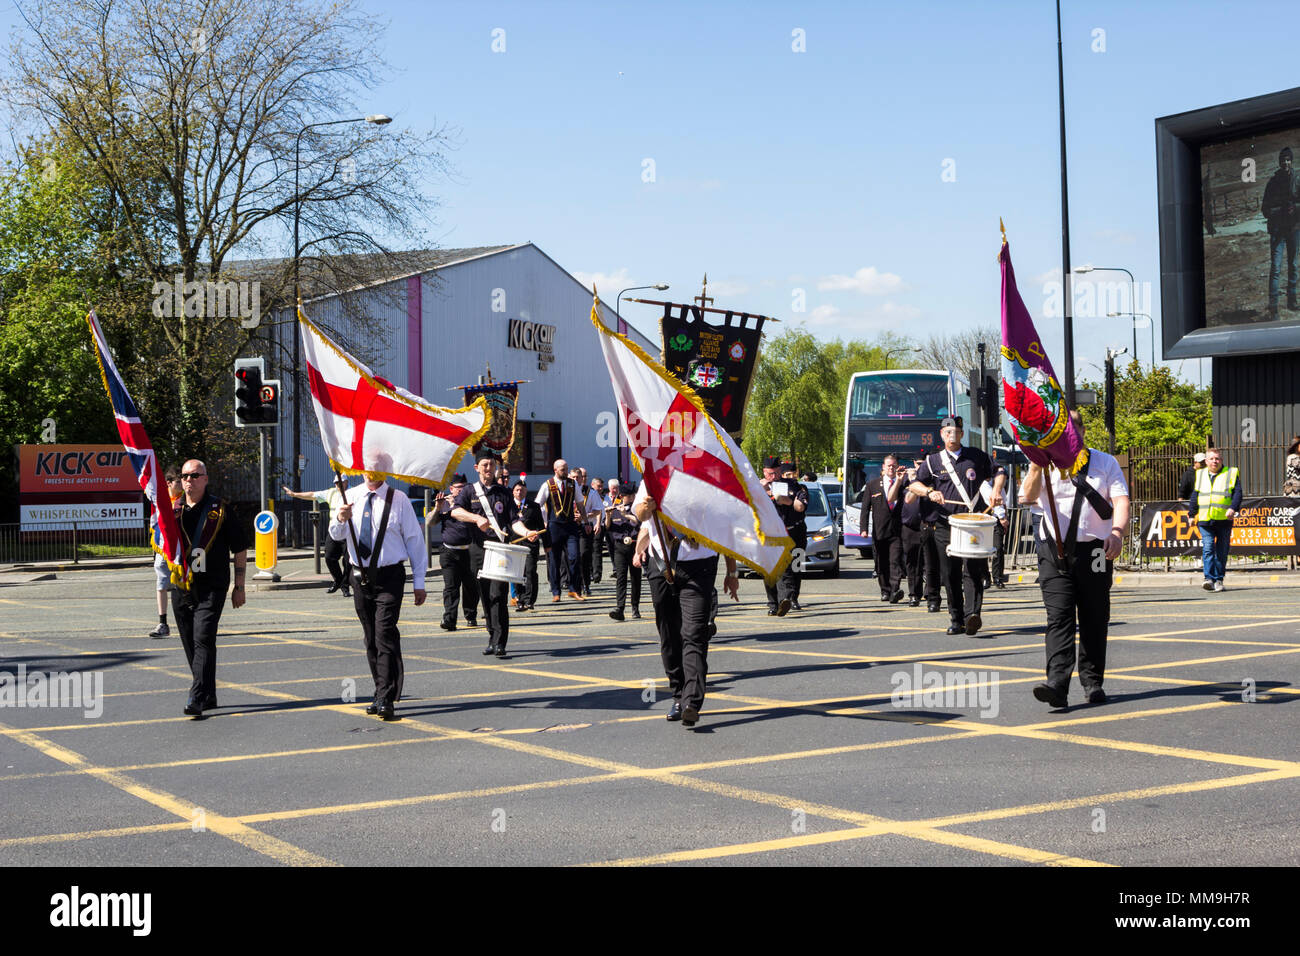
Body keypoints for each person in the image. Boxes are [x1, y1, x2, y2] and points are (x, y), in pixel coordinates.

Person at [1019, 412, 1130, 708]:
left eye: (1072, 426)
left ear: (1080, 430)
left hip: (1095, 550)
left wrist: (1117, 533)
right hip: (1054, 551)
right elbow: (1026, 498)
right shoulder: (1044, 465)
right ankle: (1057, 684)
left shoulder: (1105, 462)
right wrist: (1034, 467)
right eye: (1060, 427)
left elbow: (1121, 500)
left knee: (1094, 617)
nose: (1066, 431)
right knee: (1059, 617)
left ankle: (1092, 682)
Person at [633, 486, 739, 729]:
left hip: (699, 566)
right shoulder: (653, 472)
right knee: (669, 635)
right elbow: (640, 515)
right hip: (662, 566)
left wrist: (732, 571)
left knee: (693, 634)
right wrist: (646, 508)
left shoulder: (707, 476)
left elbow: (725, 529)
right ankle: (679, 694)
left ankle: (692, 701)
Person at [330, 462, 428, 720]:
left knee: (384, 632)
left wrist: (420, 581)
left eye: (377, 466)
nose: (372, 471)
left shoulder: (400, 500)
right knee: (371, 637)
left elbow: (415, 542)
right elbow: (335, 535)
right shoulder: (348, 497)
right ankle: (380, 691)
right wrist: (341, 519)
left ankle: (386, 696)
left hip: (390, 576)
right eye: (368, 466)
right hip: (359, 577)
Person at [908, 417, 1004, 635]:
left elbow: (999, 471)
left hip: (973, 523)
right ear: (942, 435)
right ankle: (956, 619)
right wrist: (930, 492)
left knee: (974, 569)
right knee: (949, 573)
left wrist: (997, 490)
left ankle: (972, 615)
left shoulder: (976, 456)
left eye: (957, 431)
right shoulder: (933, 461)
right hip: (945, 524)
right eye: (948, 431)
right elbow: (914, 484)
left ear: (962, 434)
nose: (953, 435)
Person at [172, 460, 250, 717]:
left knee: (203, 638)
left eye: (195, 475)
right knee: (191, 643)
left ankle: (196, 695)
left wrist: (239, 586)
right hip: (182, 585)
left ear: (205, 478)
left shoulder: (220, 509)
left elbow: (239, 548)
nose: (188, 480)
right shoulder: (173, 510)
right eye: (184, 476)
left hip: (212, 585)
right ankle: (209, 693)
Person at [452, 451, 529, 657]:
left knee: (498, 594)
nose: (488, 468)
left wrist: (527, 532)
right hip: (478, 549)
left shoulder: (503, 492)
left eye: (491, 465)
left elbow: (514, 521)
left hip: (500, 549)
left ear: (495, 467)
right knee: (484, 595)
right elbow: (455, 511)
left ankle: (500, 641)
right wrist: (475, 519)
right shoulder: (469, 491)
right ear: (477, 468)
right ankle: (491, 636)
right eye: (484, 465)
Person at [282, 483, 351, 597]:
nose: (337, 484)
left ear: (346, 482)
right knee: (329, 557)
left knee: (349, 562)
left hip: (348, 532)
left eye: (340, 482)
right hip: (334, 531)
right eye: (336, 483)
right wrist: (294, 494)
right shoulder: (331, 492)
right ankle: (338, 580)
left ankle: (345, 587)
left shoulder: (353, 493)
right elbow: (312, 494)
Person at [1188, 448, 1242, 592]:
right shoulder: (1200, 474)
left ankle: (1219, 579)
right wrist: (1191, 514)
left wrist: (1233, 508)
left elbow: (1238, 493)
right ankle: (1209, 579)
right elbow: (1195, 495)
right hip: (1205, 519)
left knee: (1222, 551)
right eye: (1211, 459)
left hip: (1224, 519)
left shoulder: (1231, 473)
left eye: (1217, 458)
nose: (1214, 461)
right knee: (1208, 548)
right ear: (1206, 461)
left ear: (1221, 460)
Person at [429, 473, 477, 631]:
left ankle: (470, 615)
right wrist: (438, 507)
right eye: (459, 488)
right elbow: (430, 522)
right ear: (451, 489)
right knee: (451, 587)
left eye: (465, 487)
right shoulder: (444, 504)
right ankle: (450, 619)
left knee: (470, 586)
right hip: (449, 552)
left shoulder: (470, 501)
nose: (462, 490)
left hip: (469, 551)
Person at [536, 459, 586, 601]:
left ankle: (574, 589)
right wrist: (542, 522)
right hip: (554, 526)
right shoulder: (547, 485)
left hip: (570, 526)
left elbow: (580, 503)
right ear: (555, 470)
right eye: (562, 469)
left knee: (575, 557)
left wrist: (585, 521)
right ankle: (556, 591)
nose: (565, 472)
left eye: (566, 468)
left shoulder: (573, 483)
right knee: (554, 560)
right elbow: (537, 505)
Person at [759, 456, 802, 615]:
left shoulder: (791, 485)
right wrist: (761, 490)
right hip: (767, 533)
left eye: (776, 473)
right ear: (764, 472)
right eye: (770, 473)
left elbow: (798, 504)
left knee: (787, 567)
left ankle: (787, 599)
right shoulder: (756, 486)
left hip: (786, 532)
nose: (773, 476)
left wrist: (785, 499)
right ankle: (773, 603)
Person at [1263, 146, 1300, 320]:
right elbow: (1265, 209)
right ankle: (1273, 308)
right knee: (1276, 268)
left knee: (1293, 265)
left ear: (1291, 161)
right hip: (1278, 231)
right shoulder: (1272, 183)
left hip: (1294, 229)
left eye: (1288, 159)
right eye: (1282, 159)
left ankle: (1292, 301)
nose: (1285, 162)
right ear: (1279, 162)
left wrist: (1295, 208)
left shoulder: (1297, 179)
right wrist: (1280, 211)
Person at [864, 454, 905, 604]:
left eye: (894, 465)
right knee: (881, 561)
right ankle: (885, 590)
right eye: (888, 465)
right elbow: (865, 509)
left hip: (897, 530)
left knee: (895, 560)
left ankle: (895, 589)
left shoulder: (903, 483)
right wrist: (863, 529)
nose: (891, 468)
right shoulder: (872, 485)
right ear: (883, 467)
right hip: (880, 530)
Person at [149, 466, 184, 637]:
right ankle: (162, 623)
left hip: (180, 548)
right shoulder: (160, 501)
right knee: (161, 584)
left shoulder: (186, 500)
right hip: (163, 548)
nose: (182, 484)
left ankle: (188, 620)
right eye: (179, 481)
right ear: (169, 483)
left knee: (183, 584)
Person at [606, 482, 642, 621]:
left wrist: (625, 515)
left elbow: (639, 522)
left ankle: (635, 607)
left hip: (634, 546)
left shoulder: (637, 508)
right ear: (622, 496)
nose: (633, 497)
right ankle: (620, 608)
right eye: (630, 495)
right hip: (620, 547)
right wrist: (608, 515)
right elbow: (608, 527)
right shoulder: (615, 508)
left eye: (633, 494)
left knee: (635, 578)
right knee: (621, 578)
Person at [510, 479, 545, 611]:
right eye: (517, 490)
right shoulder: (509, 506)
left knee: (530, 571)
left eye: (522, 490)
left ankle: (529, 600)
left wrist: (546, 544)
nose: (519, 492)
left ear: (526, 491)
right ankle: (519, 598)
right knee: (518, 573)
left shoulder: (534, 506)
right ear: (513, 492)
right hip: (515, 543)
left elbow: (541, 526)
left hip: (531, 544)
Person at [898, 460, 927, 607]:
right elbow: (903, 499)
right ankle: (914, 594)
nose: (919, 466)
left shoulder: (928, 479)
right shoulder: (905, 481)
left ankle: (929, 592)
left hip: (925, 525)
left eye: (923, 463)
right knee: (911, 563)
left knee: (928, 562)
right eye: (917, 463)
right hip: (909, 527)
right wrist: (909, 480)